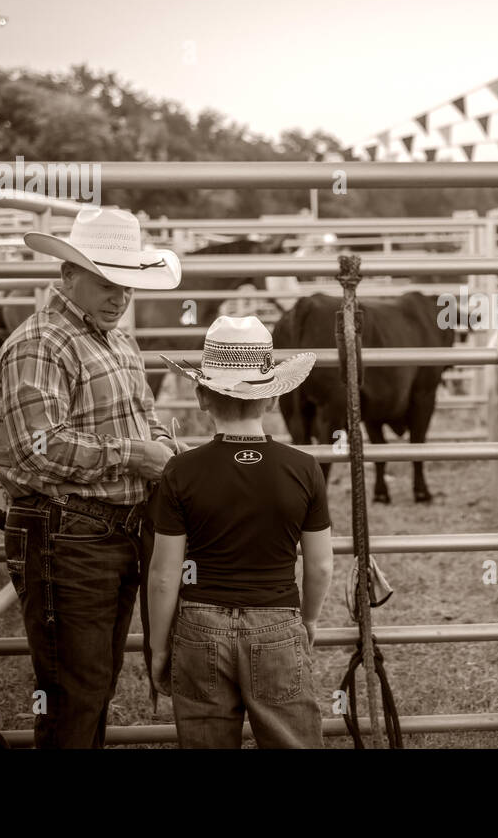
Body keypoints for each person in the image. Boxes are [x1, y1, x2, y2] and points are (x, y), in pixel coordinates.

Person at [0, 205, 183, 749]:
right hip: (65, 532)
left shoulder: (118, 339)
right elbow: (35, 451)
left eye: (127, 284)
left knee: (92, 680)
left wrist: (164, 445)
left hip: (108, 531)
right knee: (77, 687)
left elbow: (141, 416)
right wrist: (135, 456)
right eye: (106, 282)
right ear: (67, 275)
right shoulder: (41, 342)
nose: (120, 296)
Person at [146, 316, 330, 748]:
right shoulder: (304, 469)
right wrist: (310, 620)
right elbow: (320, 565)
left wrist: (158, 646)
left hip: (199, 624)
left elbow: (164, 575)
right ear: (270, 400)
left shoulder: (180, 471)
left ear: (201, 396)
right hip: (277, 622)